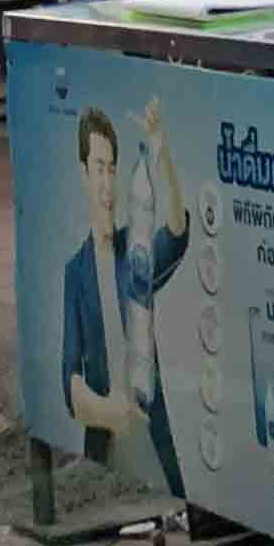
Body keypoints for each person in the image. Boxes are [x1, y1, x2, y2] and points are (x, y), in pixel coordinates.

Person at [56, 100, 184, 499]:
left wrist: (163, 158)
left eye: (112, 168)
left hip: (154, 449)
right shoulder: (76, 273)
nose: (107, 182)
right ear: (83, 175)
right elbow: (70, 379)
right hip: (107, 453)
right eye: (98, 168)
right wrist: (112, 413)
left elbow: (177, 235)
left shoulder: (135, 251)